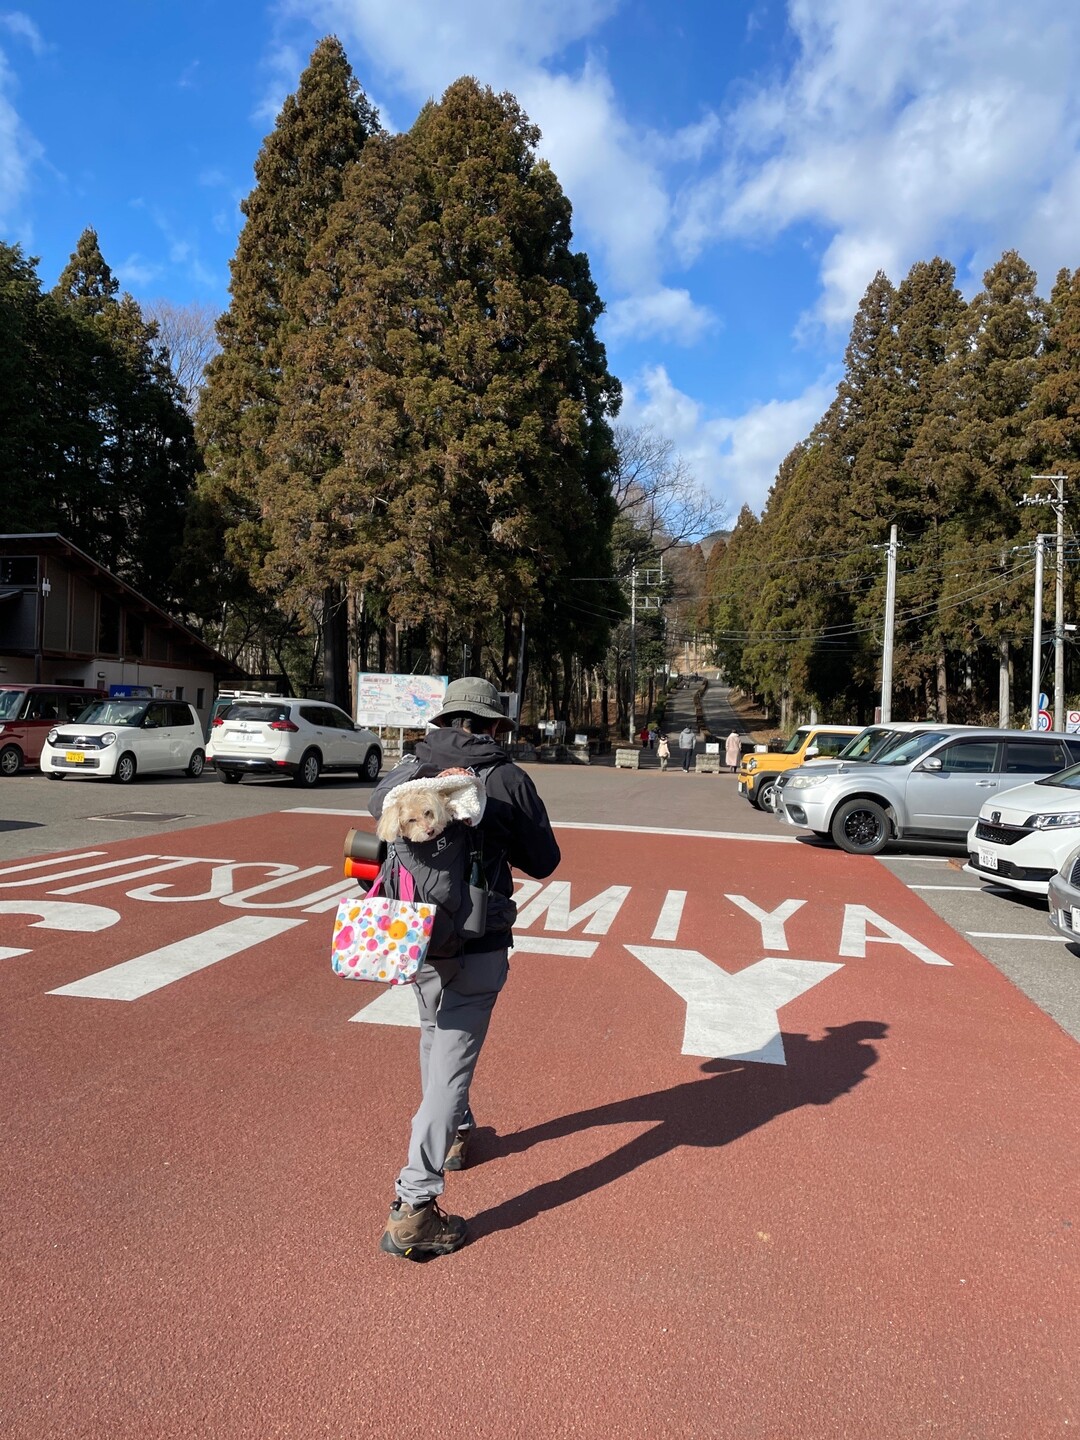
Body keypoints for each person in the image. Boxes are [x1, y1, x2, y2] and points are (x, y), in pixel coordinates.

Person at [368, 677, 560, 1260]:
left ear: (444, 719)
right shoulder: (505, 777)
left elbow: (375, 820)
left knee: (433, 1034)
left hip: (418, 937)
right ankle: (415, 1204)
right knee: (452, 1065)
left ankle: (455, 1134)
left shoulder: (409, 767)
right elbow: (545, 861)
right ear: (495, 724)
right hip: (478, 940)